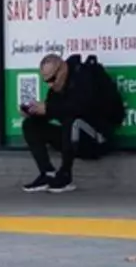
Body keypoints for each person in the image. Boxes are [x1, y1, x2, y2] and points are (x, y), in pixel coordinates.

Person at [20, 50, 123, 193]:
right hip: (73, 139)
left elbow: (81, 107)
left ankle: (65, 175)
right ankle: (47, 173)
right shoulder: (56, 88)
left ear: (63, 68)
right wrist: (34, 112)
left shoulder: (85, 77)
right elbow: (53, 111)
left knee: (72, 119)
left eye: (52, 79)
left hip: (98, 138)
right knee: (30, 125)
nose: (50, 85)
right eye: (46, 81)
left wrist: (49, 108)